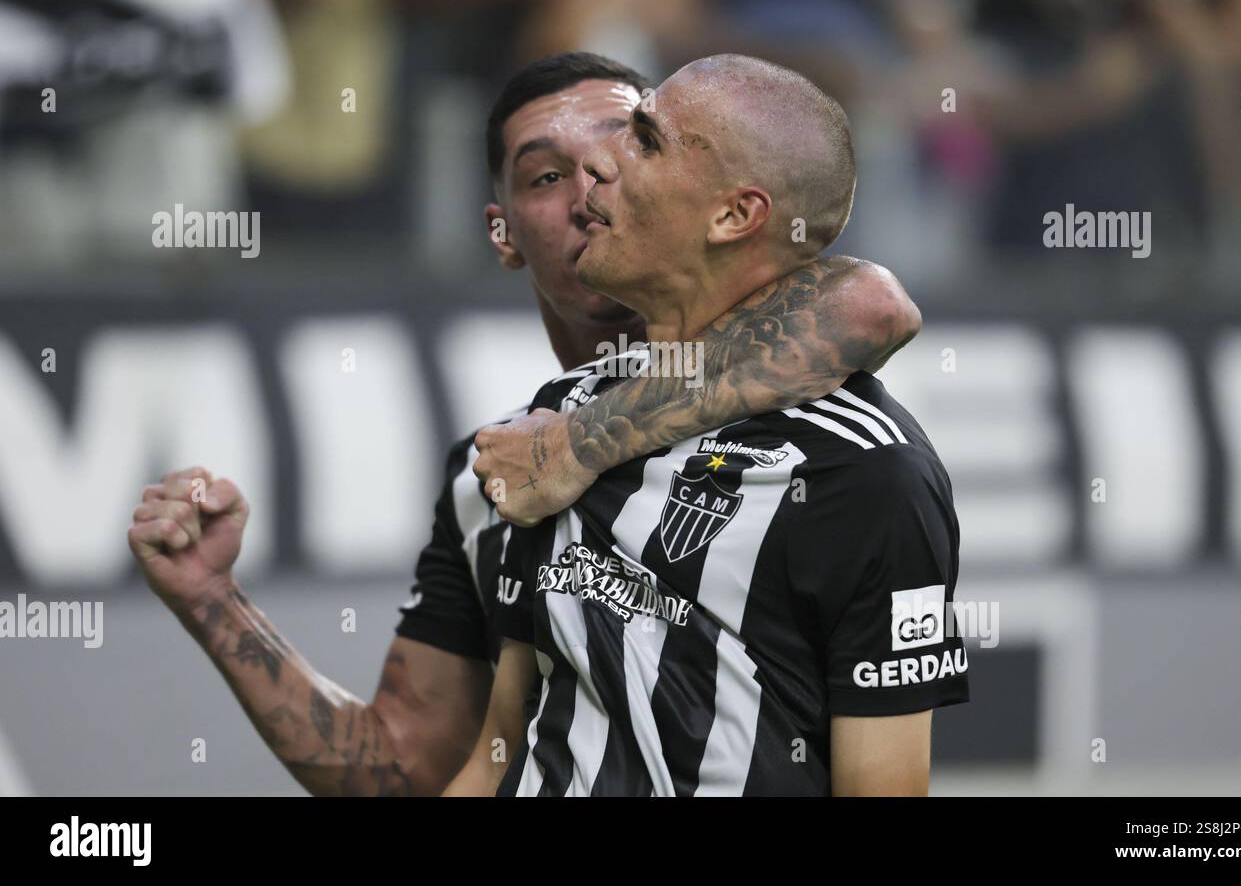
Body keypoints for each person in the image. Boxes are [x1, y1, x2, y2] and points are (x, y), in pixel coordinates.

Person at [126, 52, 921, 795]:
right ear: (501, 234)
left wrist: (577, 448)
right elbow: (432, 761)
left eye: (632, 142)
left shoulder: (846, 462)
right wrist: (212, 601)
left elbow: (869, 303)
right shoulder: (510, 464)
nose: (591, 185)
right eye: (545, 176)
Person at [457, 55, 967, 797]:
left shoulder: (864, 472)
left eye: (645, 140)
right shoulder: (560, 416)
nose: (596, 164)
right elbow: (499, 755)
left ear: (734, 216)